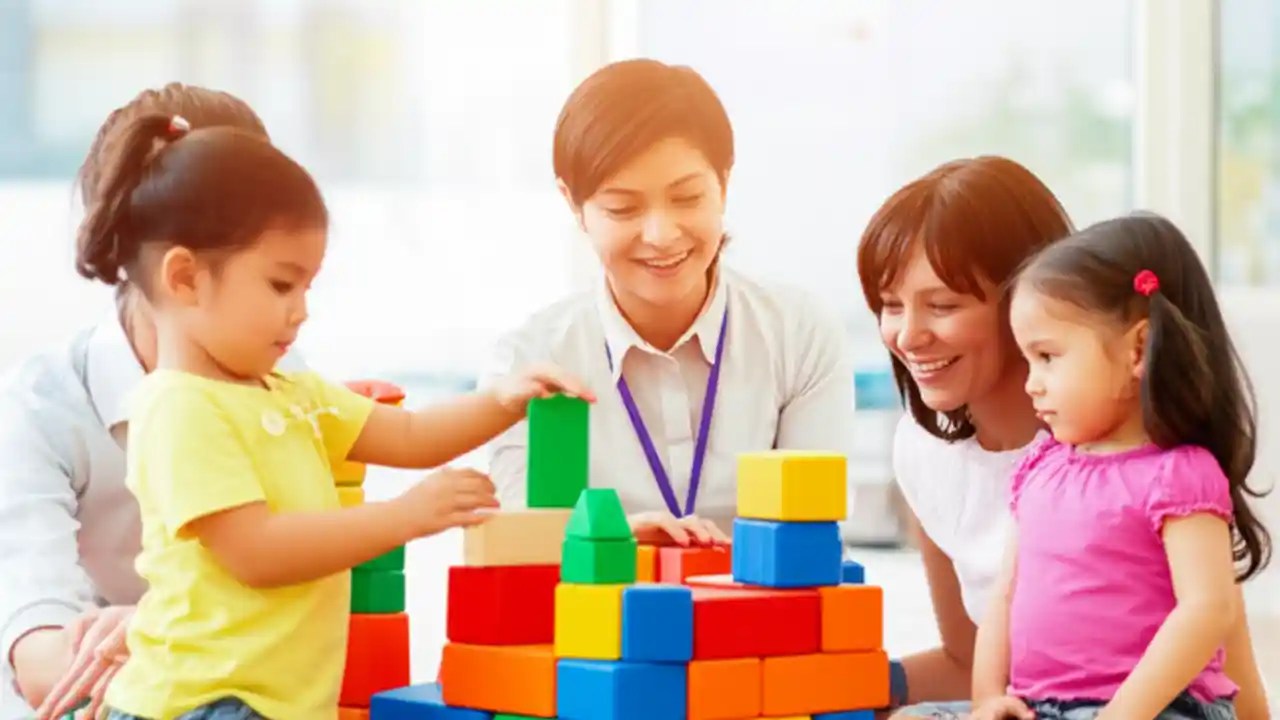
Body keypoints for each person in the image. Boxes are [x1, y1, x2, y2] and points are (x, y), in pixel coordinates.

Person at [41, 113, 591, 720]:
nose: (301, 311)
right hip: (201, 703)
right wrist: (405, 516)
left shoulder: (291, 393)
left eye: (308, 288)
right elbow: (256, 552)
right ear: (185, 278)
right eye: (282, 285)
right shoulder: (178, 408)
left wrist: (504, 401)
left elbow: (412, 436)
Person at [855, 157, 1271, 720]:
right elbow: (965, 656)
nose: (908, 336)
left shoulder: (1147, 461)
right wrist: (836, 686)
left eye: (943, 305)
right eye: (889, 305)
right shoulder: (932, 451)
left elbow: (1218, 637)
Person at [482, 58, 857, 543]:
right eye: (623, 208)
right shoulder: (529, 361)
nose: (660, 235)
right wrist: (615, 540)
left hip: (756, 595)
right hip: (600, 595)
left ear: (724, 184)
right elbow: (522, 544)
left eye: (687, 199)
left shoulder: (798, 334)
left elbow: (812, 532)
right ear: (574, 205)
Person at [0, 83, 282, 720]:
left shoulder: (286, 386)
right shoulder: (40, 408)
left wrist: (159, 629)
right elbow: (41, 665)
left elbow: (315, 590)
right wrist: (175, 638)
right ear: (174, 268)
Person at [970, 213, 1272, 720]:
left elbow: (1209, 609)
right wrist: (986, 698)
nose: (1031, 383)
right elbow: (1004, 595)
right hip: (1041, 707)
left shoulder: (1178, 475)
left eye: (1047, 357)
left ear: (1138, 349)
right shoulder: (1040, 468)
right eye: (1028, 360)